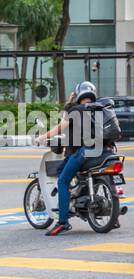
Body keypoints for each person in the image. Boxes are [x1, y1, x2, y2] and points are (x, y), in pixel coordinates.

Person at [35, 82, 102, 237]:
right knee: (62, 169)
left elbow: (60, 127)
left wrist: (42, 137)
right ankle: (83, 197)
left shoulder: (75, 109)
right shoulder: (99, 108)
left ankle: (63, 222)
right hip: (102, 151)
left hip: (84, 151)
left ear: (78, 94)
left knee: (63, 181)